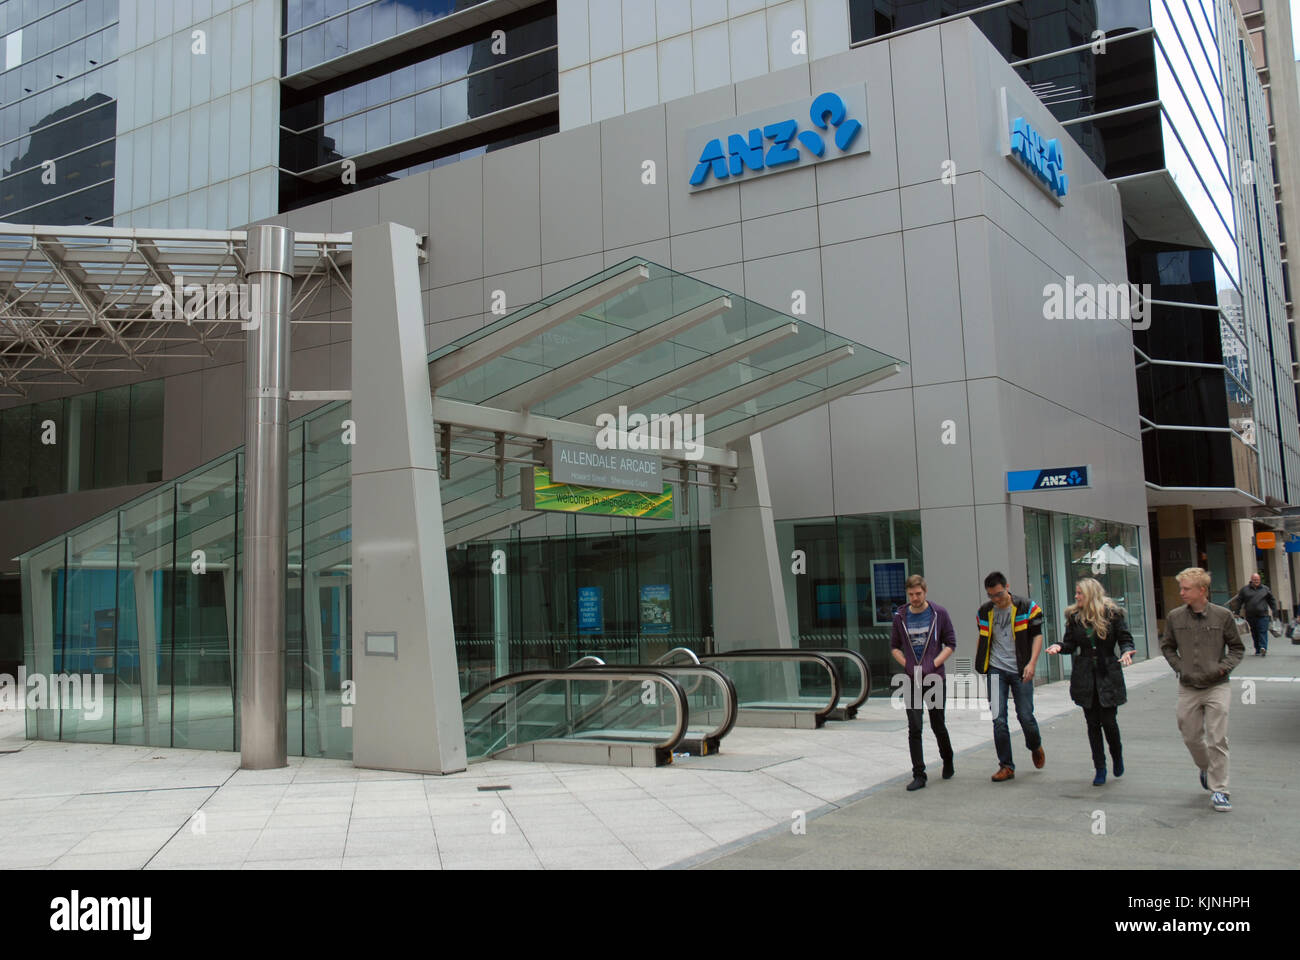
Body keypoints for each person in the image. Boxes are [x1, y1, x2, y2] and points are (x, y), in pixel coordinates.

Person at [1160, 567, 1244, 812]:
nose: (1181, 592)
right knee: (1190, 735)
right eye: (1181, 588)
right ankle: (1206, 767)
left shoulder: (1222, 616)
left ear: (1202, 590)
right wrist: (1179, 666)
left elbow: (1237, 648)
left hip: (1217, 686)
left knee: (1218, 738)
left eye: (1186, 589)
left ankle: (1220, 790)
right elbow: (1167, 647)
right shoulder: (1175, 617)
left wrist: (1222, 668)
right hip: (1188, 686)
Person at [1046, 578, 1135, 786]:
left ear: (1091, 595)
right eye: (1076, 593)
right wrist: (1059, 647)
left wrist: (1126, 651)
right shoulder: (1074, 617)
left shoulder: (1113, 614)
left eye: (1080, 593)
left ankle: (1117, 755)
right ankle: (1100, 768)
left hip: (1107, 674)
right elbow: (1069, 643)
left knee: (1109, 722)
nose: (1076, 597)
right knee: (1092, 724)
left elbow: (1125, 638)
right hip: (1085, 675)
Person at [975, 572, 1046, 781]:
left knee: (1025, 716)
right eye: (991, 596)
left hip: (1020, 669)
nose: (996, 599)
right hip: (996, 669)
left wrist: (1032, 664)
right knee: (998, 718)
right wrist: (981, 664)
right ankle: (1006, 765)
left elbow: (1037, 636)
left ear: (1007, 586)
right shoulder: (984, 611)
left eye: (998, 594)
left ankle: (1035, 745)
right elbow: (983, 637)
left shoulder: (1027, 607)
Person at [889, 574, 957, 791]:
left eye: (918, 594)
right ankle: (919, 773)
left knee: (938, 724)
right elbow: (894, 647)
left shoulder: (939, 613)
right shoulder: (900, 617)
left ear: (925, 592)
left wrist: (934, 664)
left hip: (935, 677)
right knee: (914, 727)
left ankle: (948, 759)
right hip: (911, 679)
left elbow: (951, 643)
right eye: (911, 595)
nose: (915, 598)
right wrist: (907, 664)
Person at [1228, 572, 1278, 657]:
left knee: (1262, 631)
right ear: (1251, 580)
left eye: (1258, 580)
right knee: (1254, 632)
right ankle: (1258, 649)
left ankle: (1263, 647)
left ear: (1260, 580)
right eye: (1255, 580)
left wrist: (1275, 611)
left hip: (1263, 615)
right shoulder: (1245, 590)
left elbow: (1271, 600)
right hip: (1250, 616)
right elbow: (1239, 601)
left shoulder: (1265, 589)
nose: (1256, 581)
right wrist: (1236, 612)